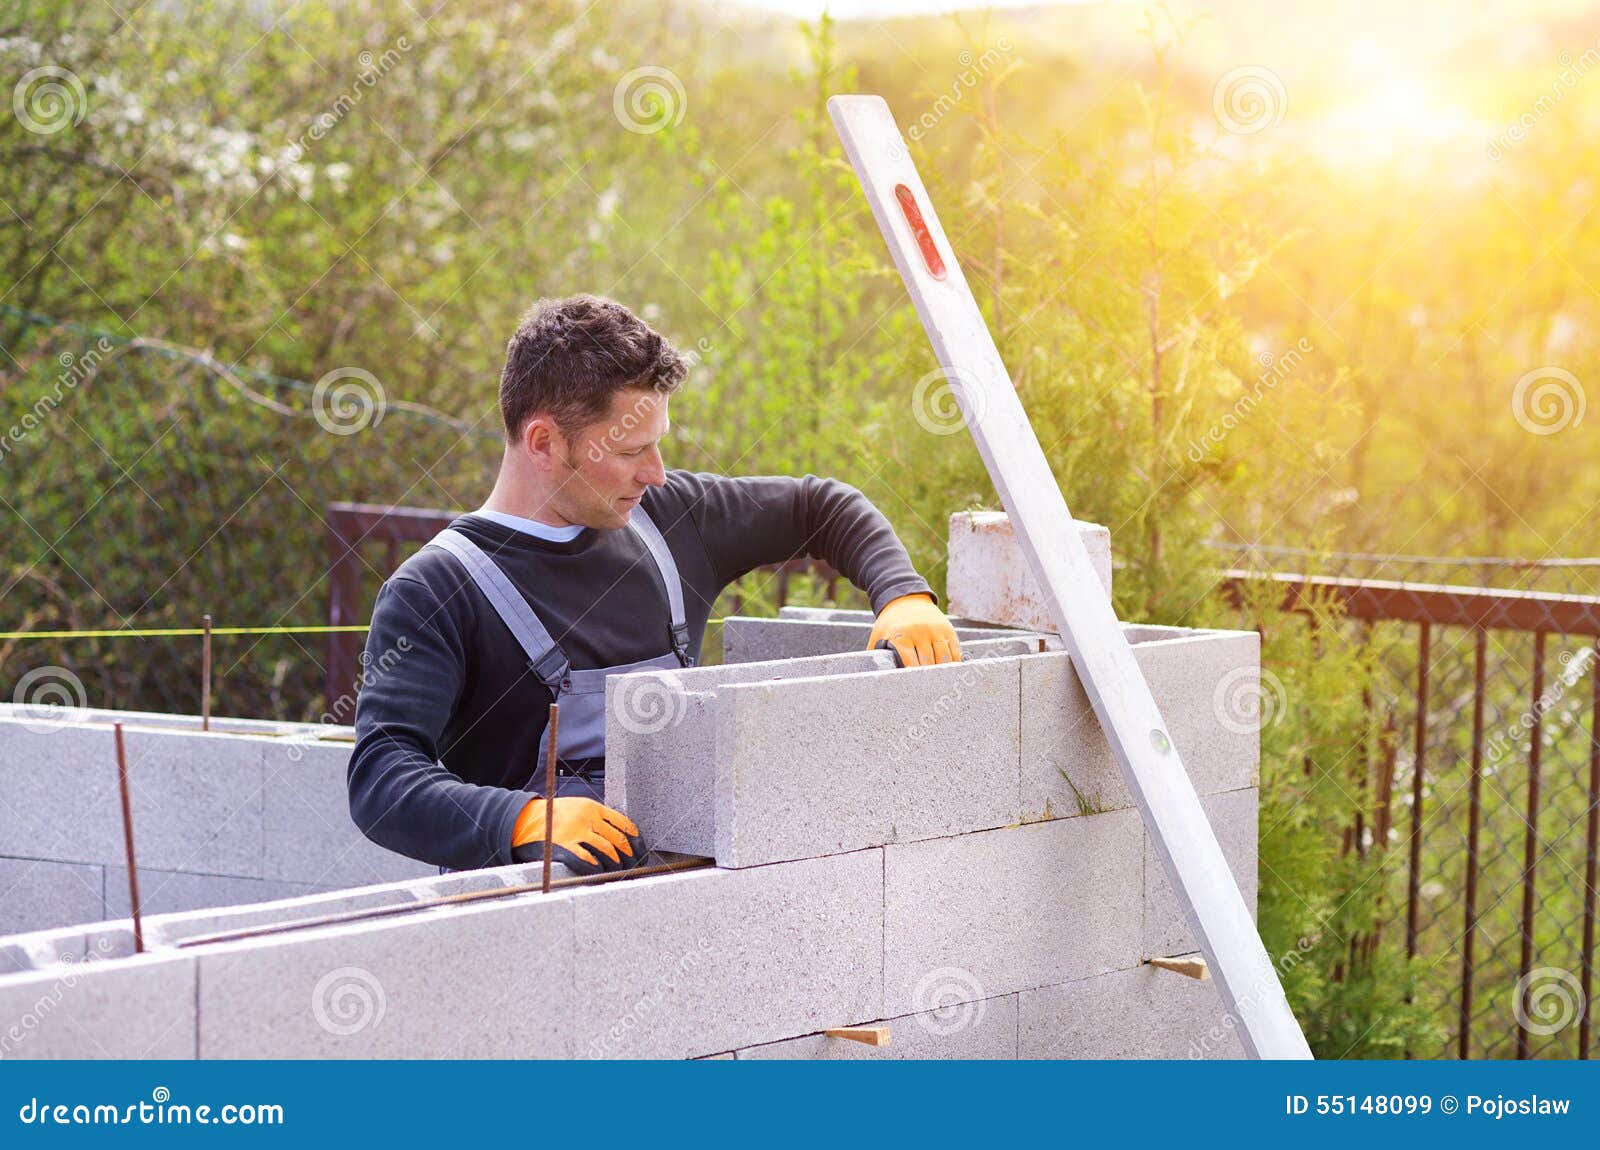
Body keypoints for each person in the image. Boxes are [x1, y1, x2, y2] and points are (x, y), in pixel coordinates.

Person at [348, 294, 962, 875]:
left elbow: (819, 507)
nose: (656, 472)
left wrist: (903, 596)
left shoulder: (672, 520)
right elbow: (381, 778)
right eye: (630, 451)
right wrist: (522, 817)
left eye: (659, 445)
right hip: (523, 931)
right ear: (544, 442)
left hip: (677, 909)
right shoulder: (436, 591)